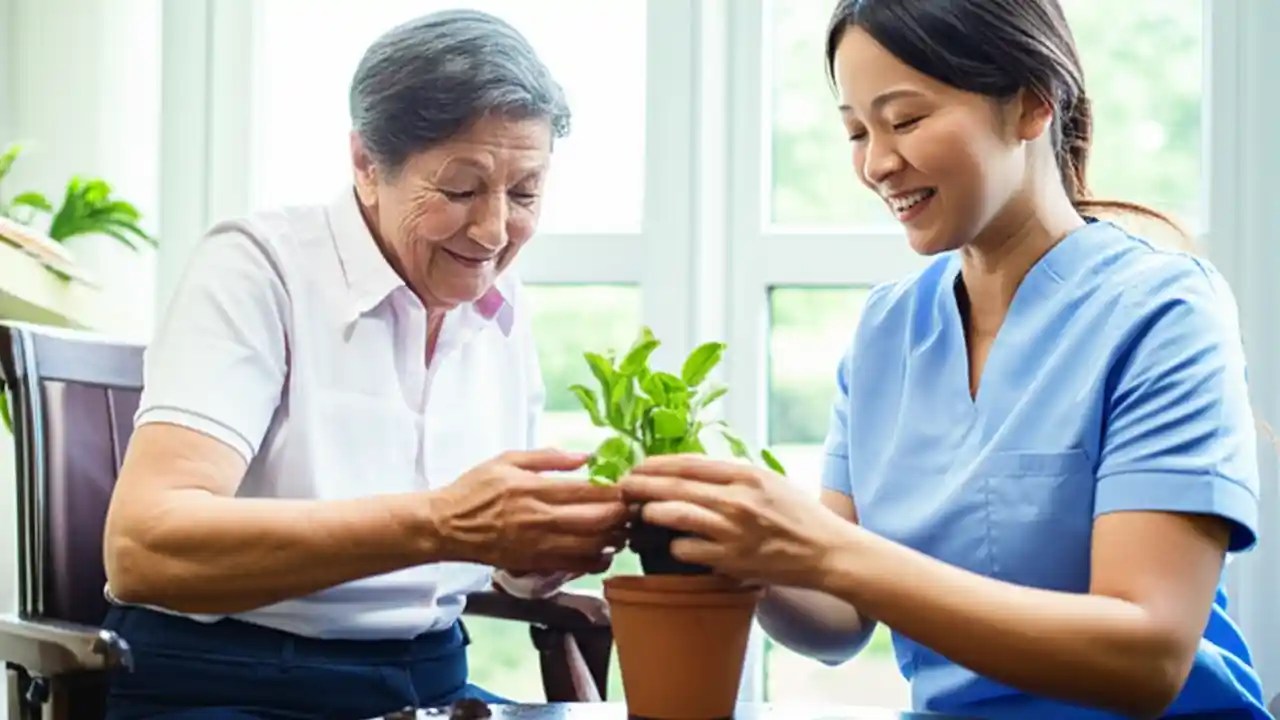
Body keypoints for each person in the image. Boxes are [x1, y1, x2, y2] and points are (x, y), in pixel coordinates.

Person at [619, 1, 1272, 719]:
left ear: (1030, 104)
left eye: (905, 120)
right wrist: (733, 540)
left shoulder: (1161, 310)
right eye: (856, 131)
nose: (876, 162)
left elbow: (1148, 658)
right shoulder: (887, 330)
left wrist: (824, 548)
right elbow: (837, 621)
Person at [101, 9, 627, 719]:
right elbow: (144, 548)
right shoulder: (261, 267)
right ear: (365, 164)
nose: (496, 231)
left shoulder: (499, 303)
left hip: (429, 685)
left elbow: (482, 550)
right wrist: (443, 522)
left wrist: (533, 557)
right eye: (462, 190)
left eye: (525, 192)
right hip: (230, 685)